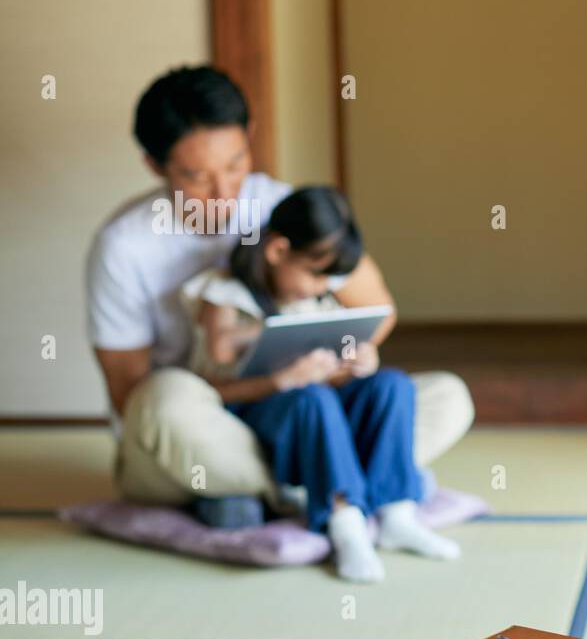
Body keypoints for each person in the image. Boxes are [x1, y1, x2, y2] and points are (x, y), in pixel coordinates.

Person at [85, 65, 474, 520]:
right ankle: (352, 480)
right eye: (197, 176)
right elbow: (129, 395)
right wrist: (252, 384)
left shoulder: (283, 209)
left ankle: (266, 488)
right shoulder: (123, 246)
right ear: (154, 165)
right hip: (204, 427)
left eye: (235, 165)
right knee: (164, 401)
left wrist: (339, 362)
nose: (223, 193)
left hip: (304, 414)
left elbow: (376, 310)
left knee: (445, 397)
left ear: (250, 136)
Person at [180, 186, 459, 581]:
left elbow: (336, 371)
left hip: (318, 409)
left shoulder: (319, 297)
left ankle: (397, 511)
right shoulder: (225, 293)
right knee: (311, 398)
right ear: (277, 252)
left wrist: (357, 361)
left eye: (329, 278)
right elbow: (211, 384)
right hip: (262, 412)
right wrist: (282, 378)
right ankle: (345, 522)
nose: (321, 287)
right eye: (315, 274)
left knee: (391, 385)